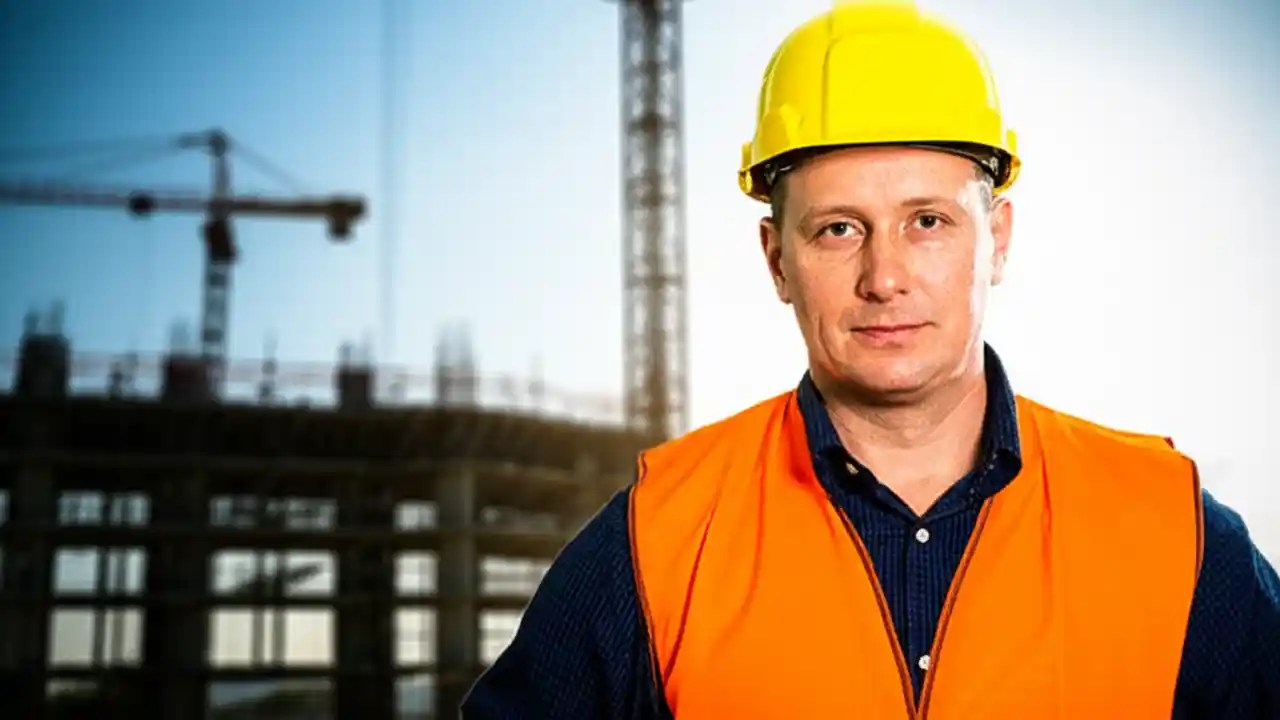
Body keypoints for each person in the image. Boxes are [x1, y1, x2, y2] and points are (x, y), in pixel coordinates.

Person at [462, 2, 1280, 717]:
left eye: (926, 222)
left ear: (995, 239)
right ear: (777, 259)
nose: (884, 278)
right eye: (838, 229)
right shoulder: (660, 539)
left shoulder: (1171, 533)